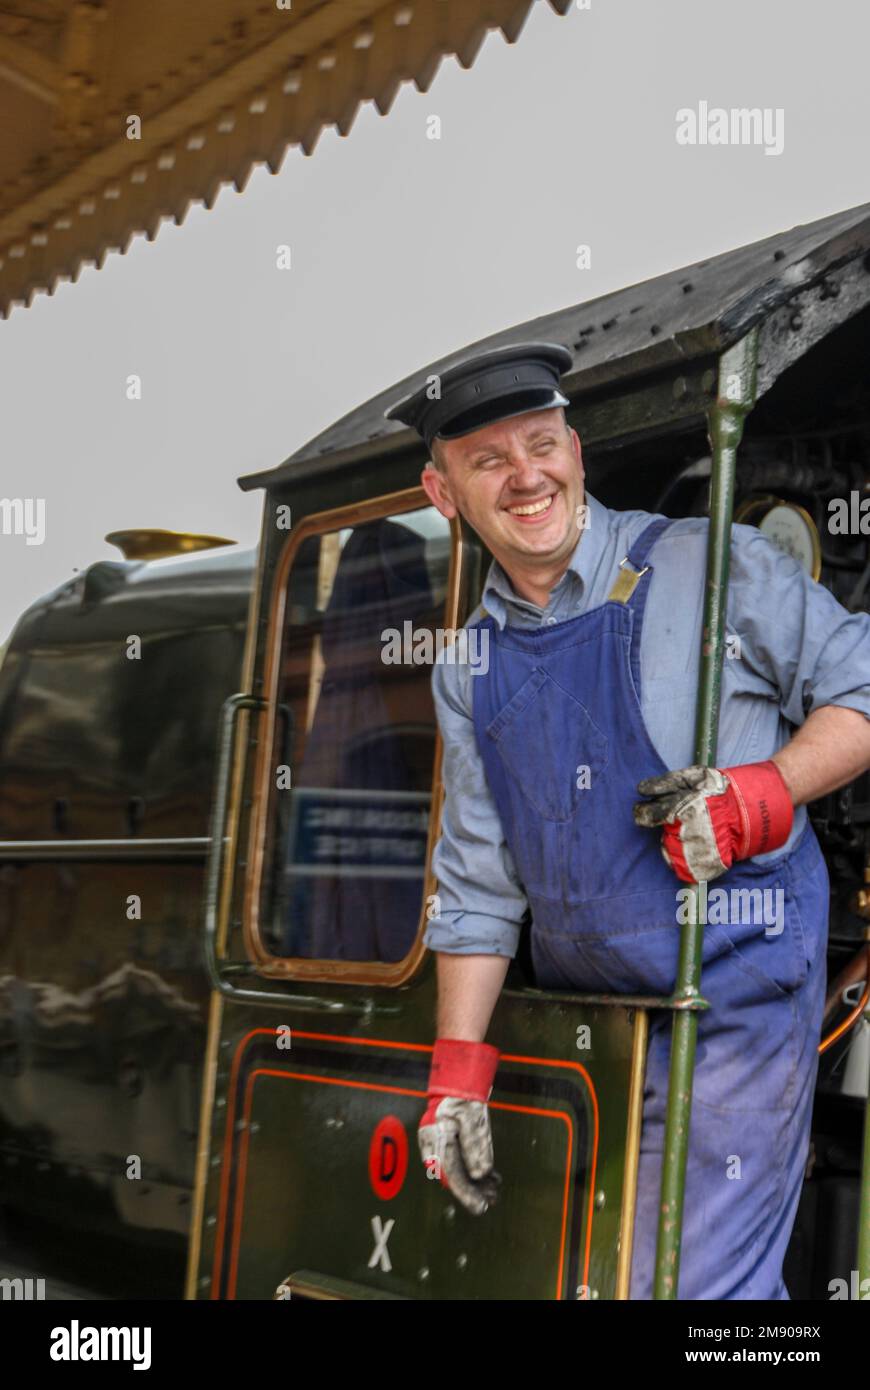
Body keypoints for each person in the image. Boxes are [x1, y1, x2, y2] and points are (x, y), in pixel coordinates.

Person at [384, 341, 870, 1299]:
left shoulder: (710, 566)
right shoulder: (468, 666)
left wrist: (759, 795)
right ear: (444, 495)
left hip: (731, 996)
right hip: (589, 1032)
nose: (528, 477)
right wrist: (456, 1076)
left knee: (688, 1292)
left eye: (542, 443)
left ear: (574, 446)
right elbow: (479, 888)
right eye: (489, 461)